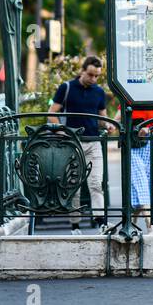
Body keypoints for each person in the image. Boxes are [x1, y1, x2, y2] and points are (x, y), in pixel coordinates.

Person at [48, 56, 112, 234]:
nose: (93, 79)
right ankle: (75, 225)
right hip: (73, 144)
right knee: (74, 186)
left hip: (94, 143)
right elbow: (52, 113)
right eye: (90, 75)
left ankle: (101, 222)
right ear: (83, 71)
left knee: (96, 184)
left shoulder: (98, 92)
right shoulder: (66, 88)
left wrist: (107, 125)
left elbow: (102, 118)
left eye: (97, 76)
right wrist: (63, 132)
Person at [129, 109, 153, 235]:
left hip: (149, 144)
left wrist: (149, 130)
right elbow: (117, 121)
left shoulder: (152, 103)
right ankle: (151, 227)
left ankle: (131, 224)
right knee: (141, 184)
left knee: (147, 187)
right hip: (132, 145)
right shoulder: (128, 101)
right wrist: (110, 125)